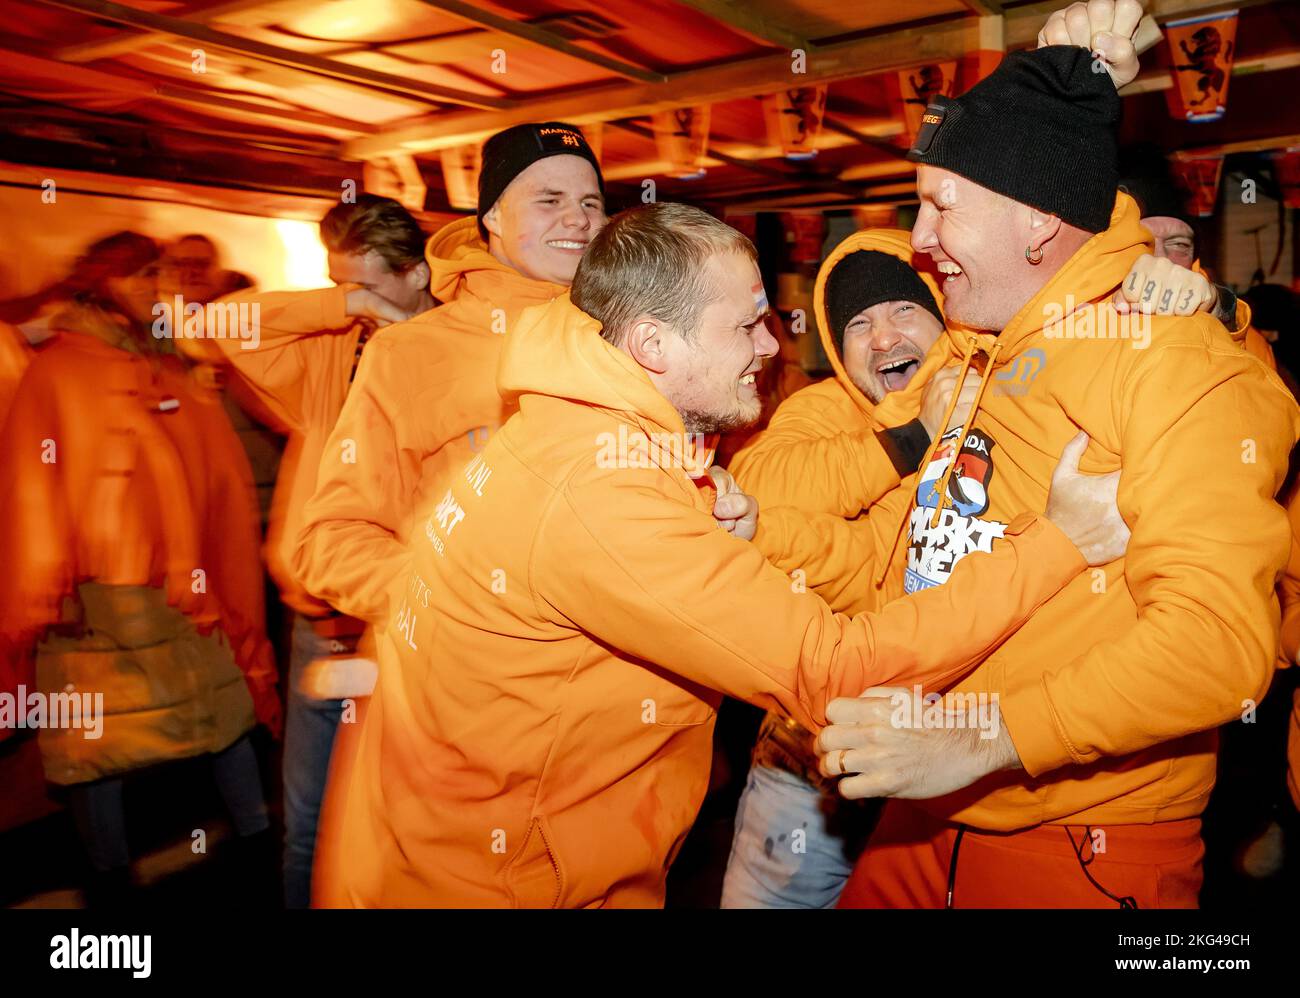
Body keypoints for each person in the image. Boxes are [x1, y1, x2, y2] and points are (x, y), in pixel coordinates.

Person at [314, 201, 1131, 908]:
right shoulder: (603, 489)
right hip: (502, 881)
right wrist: (1059, 543)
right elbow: (835, 673)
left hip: (463, 849)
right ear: (651, 345)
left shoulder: (574, 423)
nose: (772, 347)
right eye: (744, 325)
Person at [807, 15, 1298, 907]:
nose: (917, 241)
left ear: (1036, 220)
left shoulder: (1175, 361)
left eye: (940, 204)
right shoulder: (973, 339)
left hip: (1076, 838)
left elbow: (1217, 645)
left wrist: (987, 733)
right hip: (920, 810)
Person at [0, 231, 279, 906]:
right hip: (96, 603)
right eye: (142, 273)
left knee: (226, 717)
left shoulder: (173, 368)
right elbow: (34, 486)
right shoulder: (59, 370)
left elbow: (213, 477)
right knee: (95, 747)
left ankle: (258, 847)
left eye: (161, 273)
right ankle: (109, 882)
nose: (157, 285)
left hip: (188, 597)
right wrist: (45, 584)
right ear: (103, 281)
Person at [203, 194, 433, 907]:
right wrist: (351, 308)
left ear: (418, 273)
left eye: (364, 283)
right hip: (319, 628)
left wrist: (405, 334)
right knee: (305, 821)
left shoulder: (456, 357)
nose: (349, 299)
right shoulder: (331, 353)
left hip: (406, 632)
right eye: (340, 284)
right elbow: (215, 324)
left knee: (401, 823)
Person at [294, 122, 607, 627]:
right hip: (471, 688)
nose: (578, 219)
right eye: (549, 200)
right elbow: (332, 540)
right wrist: (449, 609)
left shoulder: (629, 336)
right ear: (494, 217)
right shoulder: (409, 351)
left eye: (591, 203)